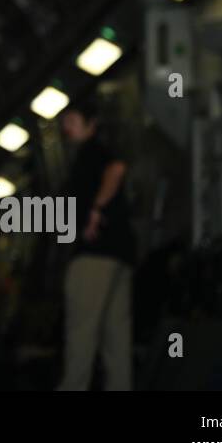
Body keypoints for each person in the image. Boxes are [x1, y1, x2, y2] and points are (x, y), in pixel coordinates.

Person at [57, 93, 136, 391]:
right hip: (118, 256)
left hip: (94, 256)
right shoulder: (88, 154)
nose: (67, 128)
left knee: (81, 334)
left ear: (91, 124)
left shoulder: (92, 153)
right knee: (116, 340)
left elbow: (117, 169)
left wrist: (96, 209)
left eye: (73, 121)